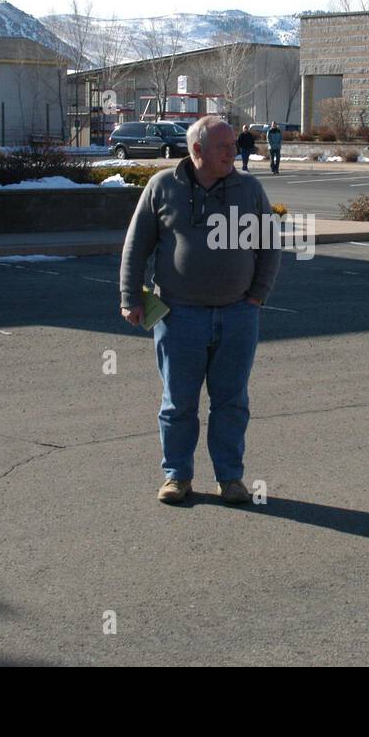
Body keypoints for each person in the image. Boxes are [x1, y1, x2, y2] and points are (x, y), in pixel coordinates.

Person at [119, 116, 281, 506]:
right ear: (197, 151)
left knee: (232, 402)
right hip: (178, 316)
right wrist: (130, 297)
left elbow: (269, 246)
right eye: (224, 147)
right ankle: (177, 476)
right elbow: (136, 245)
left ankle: (230, 478)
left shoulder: (248, 188)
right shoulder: (162, 187)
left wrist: (257, 295)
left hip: (238, 315)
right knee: (178, 402)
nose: (235, 151)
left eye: (233, 146)